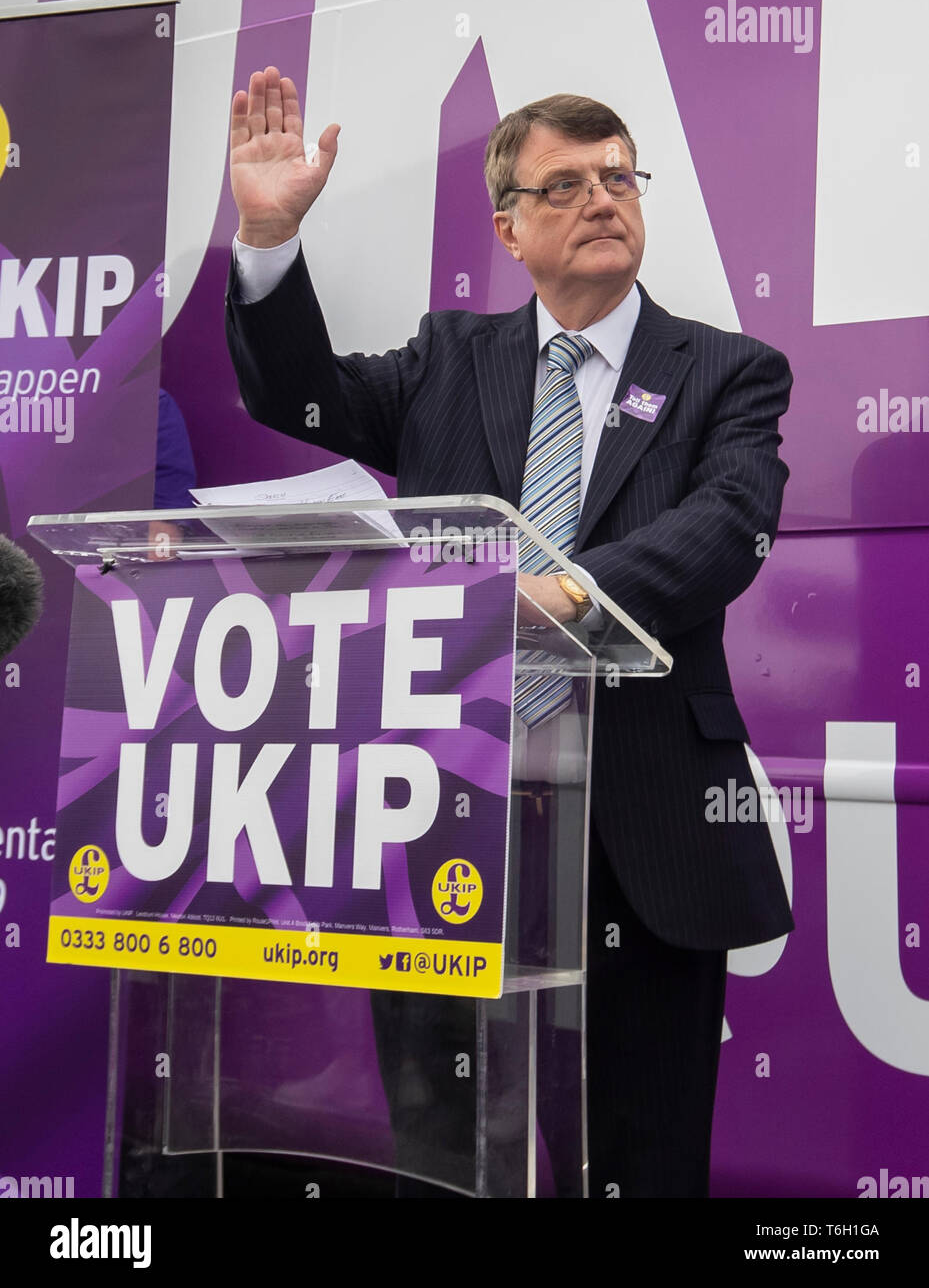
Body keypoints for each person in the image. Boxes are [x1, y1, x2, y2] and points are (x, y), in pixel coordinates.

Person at [224, 66, 794, 1197]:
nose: (601, 198)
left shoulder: (727, 370)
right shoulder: (448, 358)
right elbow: (296, 400)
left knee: (641, 1160)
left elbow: (727, 525)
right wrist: (266, 238)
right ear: (509, 226)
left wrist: (567, 592)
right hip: (446, 826)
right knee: (445, 1156)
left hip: (642, 839)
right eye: (567, 183)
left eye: (619, 176)